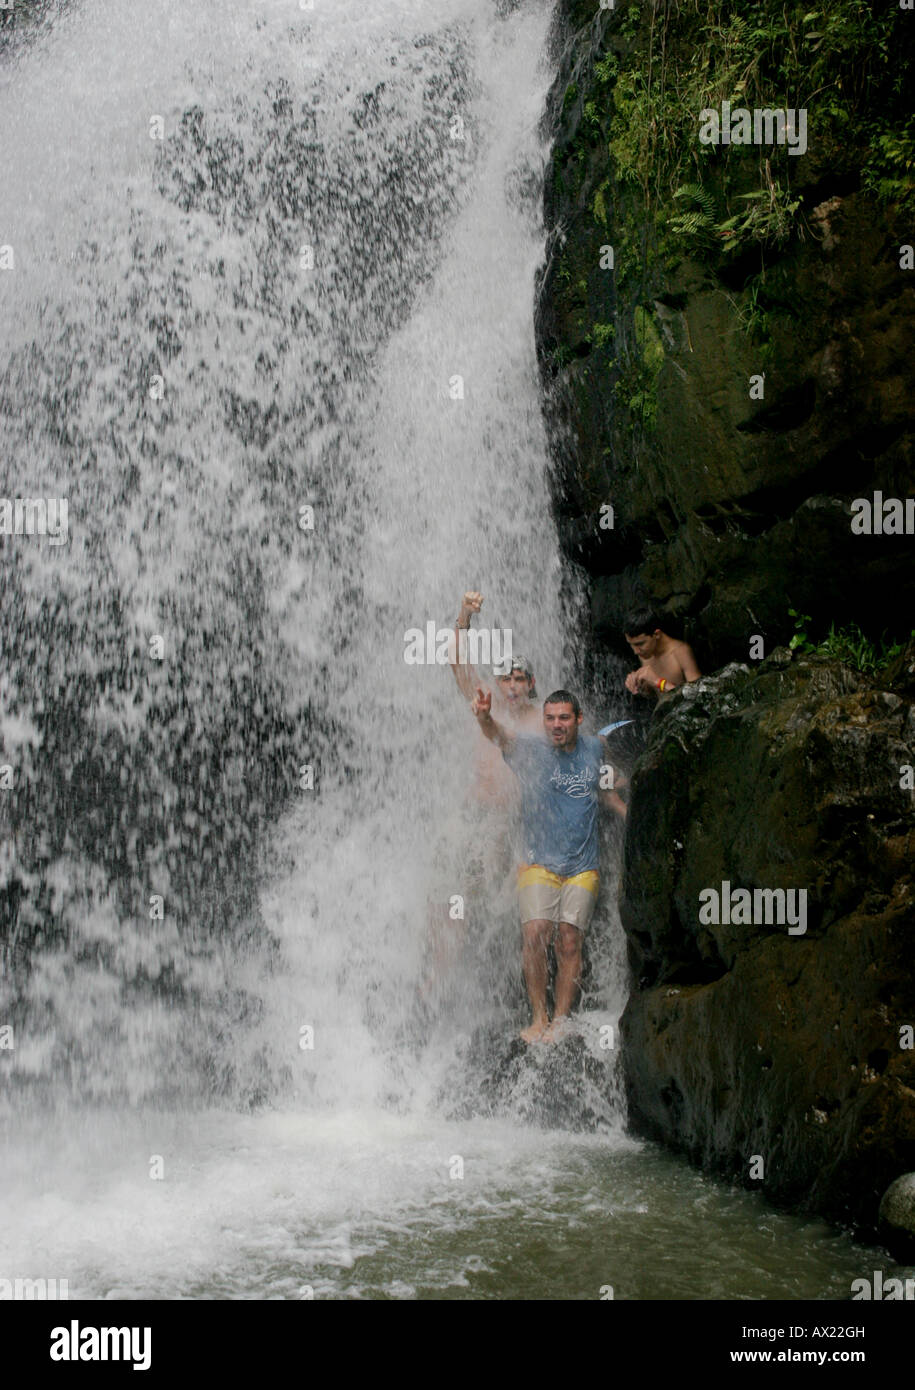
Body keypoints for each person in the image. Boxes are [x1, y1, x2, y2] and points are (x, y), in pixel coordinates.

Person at [471, 685, 625, 1044]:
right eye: (551, 718)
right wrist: (484, 717)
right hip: (537, 862)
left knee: (570, 941)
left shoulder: (593, 749)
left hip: (583, 865)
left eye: (564, 718)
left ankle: (559, 1019)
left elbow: (611, 771)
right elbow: (500, 736)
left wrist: (626, 789)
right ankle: (538, 1016)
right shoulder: (530, 749)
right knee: (536, 932)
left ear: (578, 720)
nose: (556, 725)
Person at [419, 592, 540, 1003]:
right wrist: (463, 618)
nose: (510, 686)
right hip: (471, 813)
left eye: (518, 679)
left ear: (530, 684)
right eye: (504, 678)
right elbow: (457, 664)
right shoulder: (482, 703)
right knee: (441, 887)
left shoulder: (545, 721)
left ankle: (493, 989)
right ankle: (439, 971)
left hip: (509, 823)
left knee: (490, 899)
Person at [623, 609, 701, 698]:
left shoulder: (681, 652)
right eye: (631, 645)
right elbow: (656, 694)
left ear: (656, 634)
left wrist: (658, 681)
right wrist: (640, 685)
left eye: (640, 644)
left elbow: (698, 696)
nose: (635, 651)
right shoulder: (644, 654)